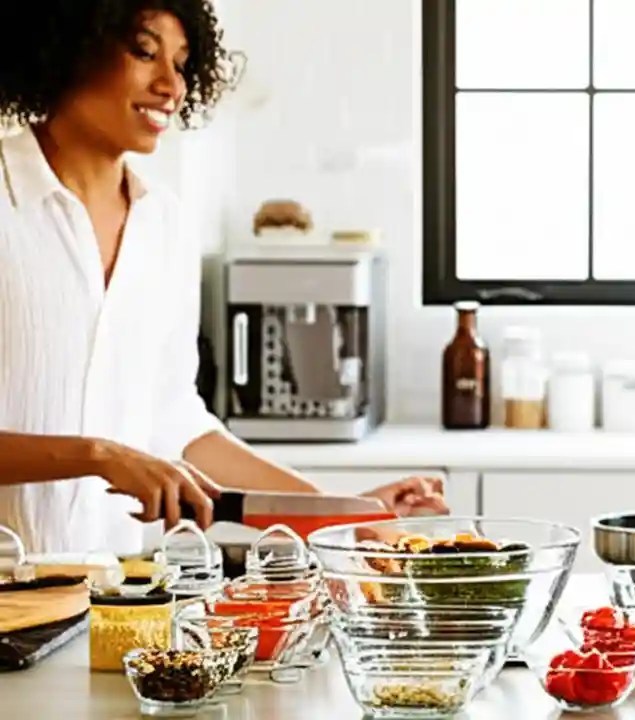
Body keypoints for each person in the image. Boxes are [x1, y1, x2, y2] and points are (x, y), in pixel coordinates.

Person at [0, 1, 447, 554]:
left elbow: (175, 421)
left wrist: (338, 511)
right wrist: (98, 456)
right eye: (144, 53)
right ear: (67, 48)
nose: (171, 84)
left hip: (115, 600)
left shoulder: (164, 224)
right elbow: (118, 452)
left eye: (182, 64)